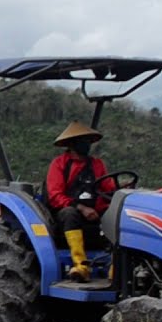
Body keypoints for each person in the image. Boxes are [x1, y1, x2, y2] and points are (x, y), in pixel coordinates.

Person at [46, 121, 118, 282]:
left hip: (94, 211)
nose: (86, 145)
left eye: (88, 141)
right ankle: (81, 265)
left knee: (117, 215)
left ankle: (116, 267)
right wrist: (82, 208)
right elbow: (55, 196)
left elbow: (107, 189)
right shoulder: (59, 164)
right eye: (82, 141)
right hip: (67, 212)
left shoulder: (97, 164)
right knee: (69, 214)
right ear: (71, 144)